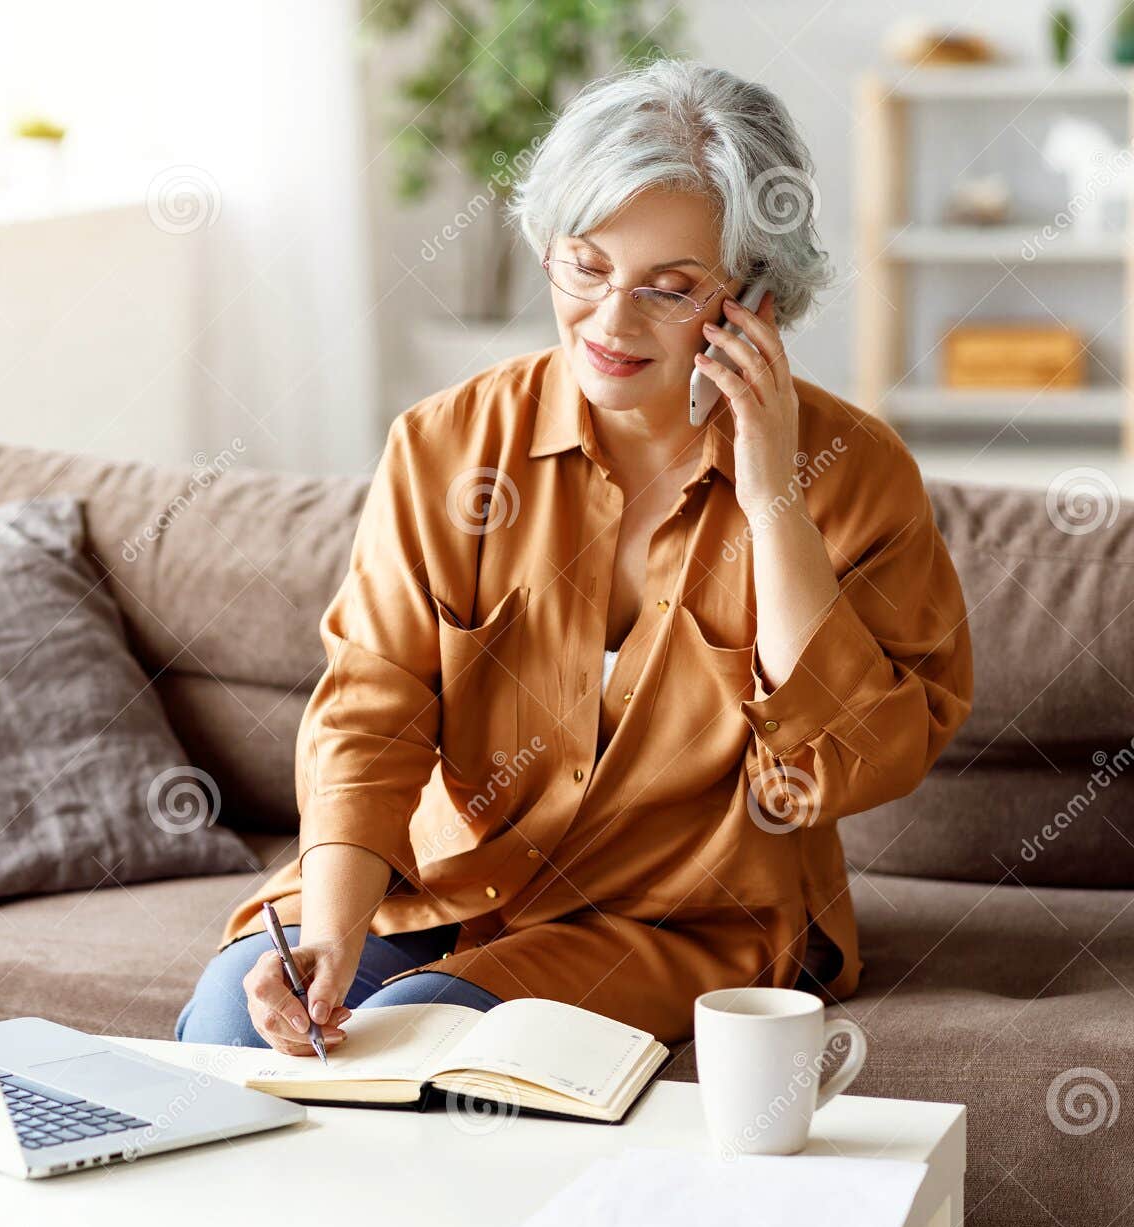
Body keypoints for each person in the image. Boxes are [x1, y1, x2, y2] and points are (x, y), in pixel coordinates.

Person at [176, 57, 973, 1054]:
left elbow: (837, 769)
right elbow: (370, 711)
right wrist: (332, 929)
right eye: (584, 265)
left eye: (669, 289)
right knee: (225, 1037)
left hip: (669, 924)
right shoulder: (447, 445)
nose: (608, 322)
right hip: (434, 885)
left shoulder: (856, 475)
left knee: (412, 1047)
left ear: (754, 297)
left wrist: (770, 495)